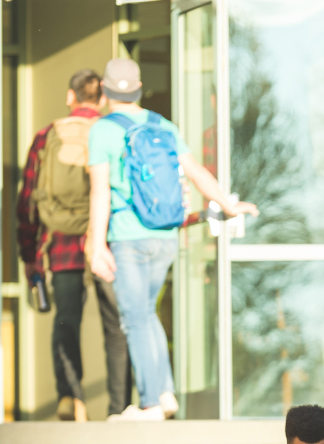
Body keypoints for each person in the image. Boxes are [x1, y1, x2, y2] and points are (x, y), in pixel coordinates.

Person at [89, 58, 258, 420]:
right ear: (138, 89)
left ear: (104, 91)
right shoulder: (162, 125)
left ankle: (150, 402)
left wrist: (95, 244)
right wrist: (227, 202)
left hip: (128, 235)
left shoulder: (102, 131)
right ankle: (164, 392)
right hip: (165, 234)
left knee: (134, 317)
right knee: (146, 313)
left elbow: (99, 192)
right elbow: (196, 173)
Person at [17, 68, 131, 422]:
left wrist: (31, 259)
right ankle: (119, 408)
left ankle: (70, 397)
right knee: (117, 325)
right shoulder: (114, 132)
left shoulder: (47, 135)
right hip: (108, 243)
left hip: (61, 244)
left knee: (66, 322)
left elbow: (27, 203)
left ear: (71, 97)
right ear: (102, 99)